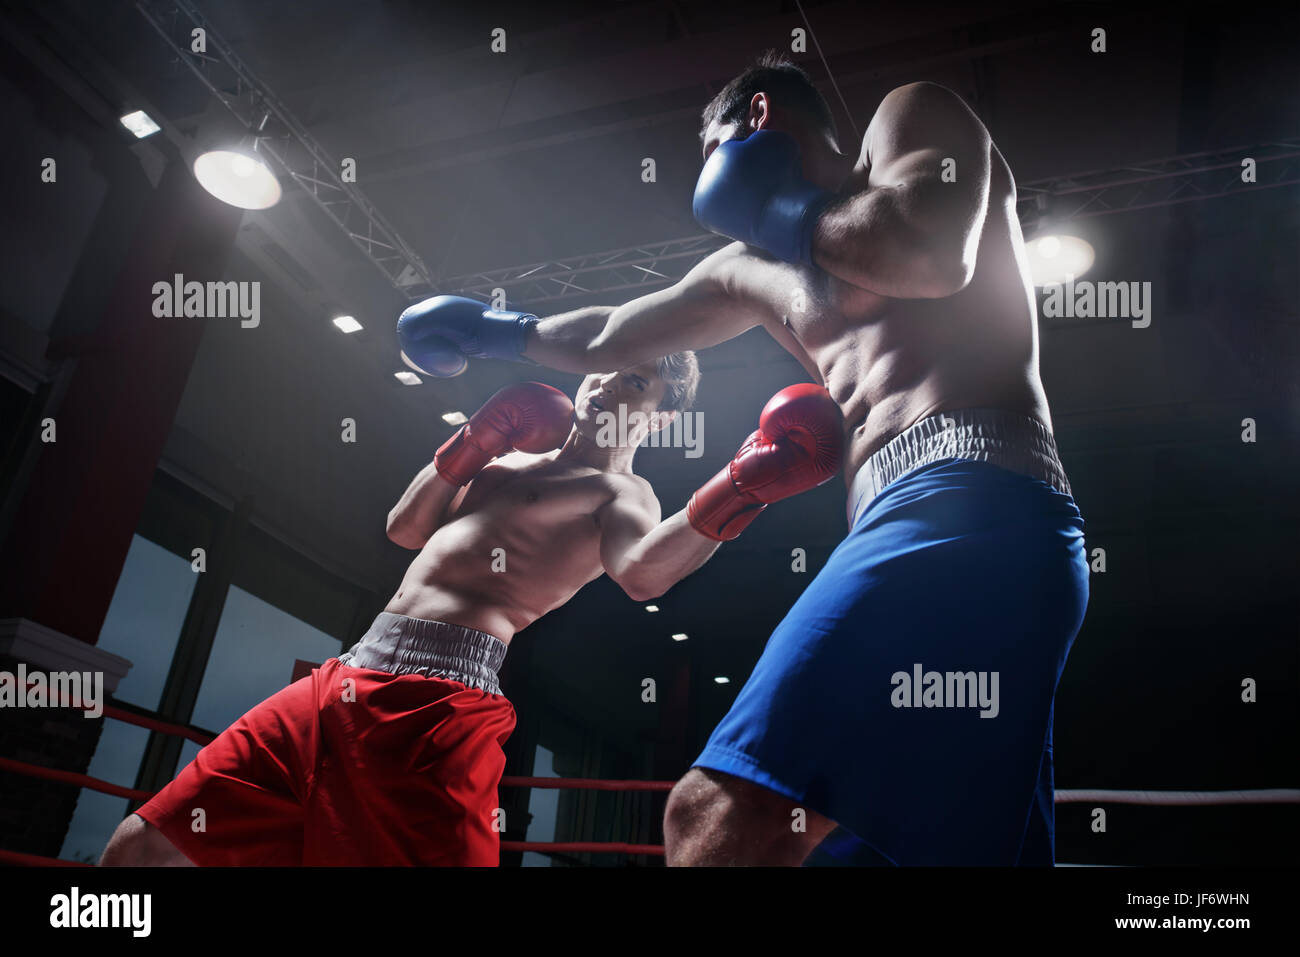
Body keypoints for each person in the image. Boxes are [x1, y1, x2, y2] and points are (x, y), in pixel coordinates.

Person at [408, 53, 1089, 866]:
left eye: (715, 155)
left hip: (973, 495)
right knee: (886, 852)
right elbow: (607, 334)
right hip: (927, 527)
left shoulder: (911, 116)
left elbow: (931, 252)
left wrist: (778, 205)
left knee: (715, 819)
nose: (717, 200)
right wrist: (494, 330)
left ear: (758, 119)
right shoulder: (752, 270)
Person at [100, 350, 843, 865]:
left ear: (659, 415)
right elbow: (405, 527)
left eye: (637, 381)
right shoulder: (508, 458)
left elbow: (644, 575)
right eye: (606, 370)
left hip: (436, 708)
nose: (609, 386)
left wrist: (743, 486)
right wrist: (472, 442)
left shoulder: (622, 496)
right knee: (141, 849)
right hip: (340, 680)